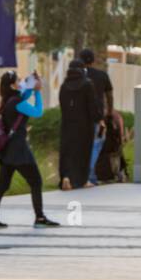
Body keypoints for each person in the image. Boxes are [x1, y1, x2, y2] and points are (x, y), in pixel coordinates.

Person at [0, 71, 58, 228]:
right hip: (19, 151)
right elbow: (38, 112)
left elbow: (24, 96)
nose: (20, 82)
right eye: (18, 80)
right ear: (13, 85)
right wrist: (38, 93)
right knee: (36, 181)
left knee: (2, 185)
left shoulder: (7, 101)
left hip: (5, 152)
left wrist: (32, 86)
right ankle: (39, 218)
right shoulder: (17, 102)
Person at [58, 59, 102, 189]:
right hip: (84, 125)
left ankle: (66, 177)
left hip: (67, 124)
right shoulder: (87, 84)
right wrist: (98, 118)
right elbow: (92, 106)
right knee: (83, 153)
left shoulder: (64, 85)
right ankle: (81, 180)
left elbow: (62, 105)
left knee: (67, 151)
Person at [79, 48, 112, 184]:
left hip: (80, 117)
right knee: (96, 143)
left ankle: (85, 175)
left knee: (83, 145)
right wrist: (109, 112)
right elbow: (109, 95)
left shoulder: (78, 76)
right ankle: (89, 175)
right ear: (93, 60)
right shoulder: (102, 75)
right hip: (97, 116)